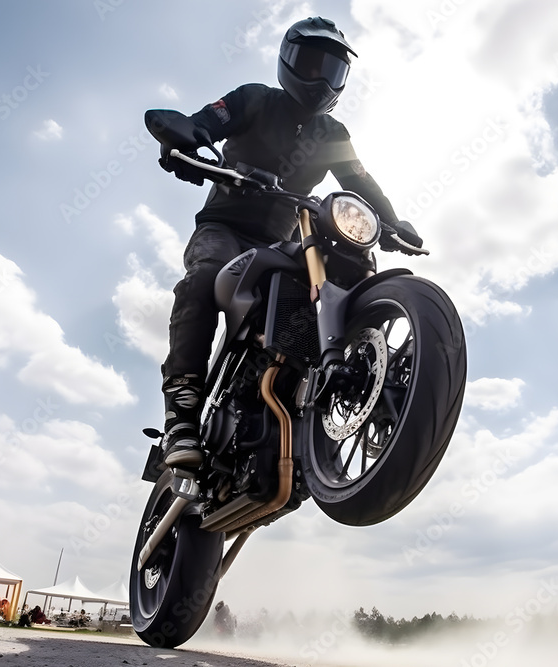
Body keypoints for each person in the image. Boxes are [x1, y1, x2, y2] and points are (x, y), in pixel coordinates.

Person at [150, 16, 418, 468]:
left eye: (331, 70)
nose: (319, 78)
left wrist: (391, 220)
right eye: (311, 63)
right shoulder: (253, 99)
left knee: (329, 287)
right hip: (225, 229)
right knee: (204, 278)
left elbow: (359, 180)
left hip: (286, 241)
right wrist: (186, 135)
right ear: (288, 61)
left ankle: (317, 403)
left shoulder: (333, 134)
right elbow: (206, 121)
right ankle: (182, 412)